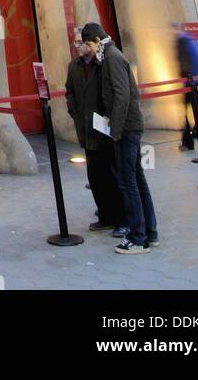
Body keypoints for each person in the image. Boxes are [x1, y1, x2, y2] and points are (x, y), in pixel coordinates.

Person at [82, 23, 158, 255]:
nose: (87, 48)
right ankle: (149, 232)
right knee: (137, 178)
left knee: (128, 182)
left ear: (96, 40)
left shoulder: (112, 57)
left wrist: (115, 128)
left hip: (126, 128)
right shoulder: (111, 55)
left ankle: (138, 237)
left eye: (87, 44)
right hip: (128, 126)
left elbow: (122, 94)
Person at [65, 29, 126, 236]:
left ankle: (122, 218)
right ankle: (105, 215)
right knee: (95, 177)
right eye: (75, 43)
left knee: (113, 174)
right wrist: (74, 112)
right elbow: (69, 92)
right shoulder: (73, 67)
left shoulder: (105, 63)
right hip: (86, 129)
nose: (77, 47)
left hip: (104, 128)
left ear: (90, 43)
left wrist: (112, 120)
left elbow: (116, 93)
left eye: (79, 43)